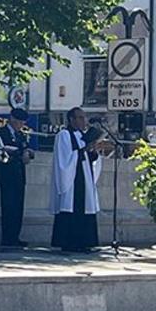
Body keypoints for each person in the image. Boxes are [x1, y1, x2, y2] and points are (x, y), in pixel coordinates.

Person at [50, 107, 106, 252]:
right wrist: (85, 150)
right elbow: (65, 158)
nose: (83, 121)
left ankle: (84, 242)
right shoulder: (64, 135)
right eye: (80, 118)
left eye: (84, 117)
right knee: (73, 206)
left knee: (85, 206)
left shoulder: (82, 135)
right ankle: (70, 243)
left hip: (84, 176)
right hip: (72, 179)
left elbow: (88, 158)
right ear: (71, 120)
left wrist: (93, 151)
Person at [0, 108, 34, 248]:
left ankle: (15, 236)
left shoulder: (21, 135)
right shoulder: (2, 133)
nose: (20, 125)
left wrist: (28, 152)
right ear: (12, 119)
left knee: (18, 208)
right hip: (8, 176)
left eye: (22, 122)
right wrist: (20, 152)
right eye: (18, 122)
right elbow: (2, 150)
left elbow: (27, 148)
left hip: (19, 175)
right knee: (9, 207)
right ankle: (8, 238)